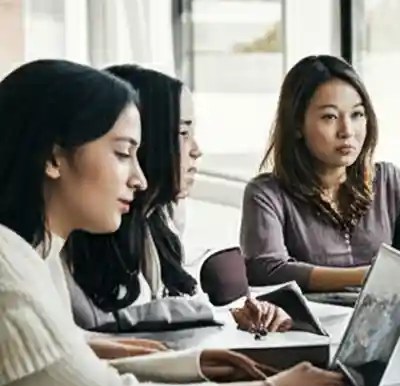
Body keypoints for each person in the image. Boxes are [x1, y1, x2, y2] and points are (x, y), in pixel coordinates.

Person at [0, 59, 346, 386]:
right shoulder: (9, 270)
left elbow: (61, 365)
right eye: (123, 153)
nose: (139, 178)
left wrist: (191, 365)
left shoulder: (32, 256)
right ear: (53, 157)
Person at [63, 65, 291, 343]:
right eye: (183, 133)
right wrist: (216, 315)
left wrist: (232, 315)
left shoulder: (155, 225)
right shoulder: (77, 241)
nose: (196, 150)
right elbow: (112, 329)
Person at [240, 55, 400, 291]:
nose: (347, 131)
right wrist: (365, 276)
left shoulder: (389, 181)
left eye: (357, 114)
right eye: (330, 117)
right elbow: (266, 270)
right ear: (297, 125)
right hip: (310, 325)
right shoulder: (267, 194)